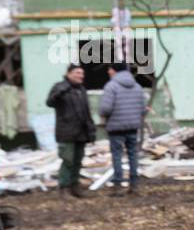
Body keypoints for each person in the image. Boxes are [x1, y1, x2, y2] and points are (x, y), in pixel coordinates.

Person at [46, 64, 95, 198]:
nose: (81, 76)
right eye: (78, 73)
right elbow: (50, 102)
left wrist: (91, 129)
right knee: (67, 160)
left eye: (82, 74)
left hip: (81, 132)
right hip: (66, 132)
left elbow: (86, 111)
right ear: (68, 73)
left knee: (78, 160)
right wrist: (61, 91)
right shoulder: (60, 87)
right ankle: (64, 188)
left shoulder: (81, 90)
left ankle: (75, 186)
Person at [100, 61, 147, 195]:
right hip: (132, 126)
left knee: (117, 155)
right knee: (133, 155)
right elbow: (143, 108)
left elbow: (105, 109)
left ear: (114, 70)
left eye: (109, 69)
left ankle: (118, 185)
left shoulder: (111, 86)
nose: (108, 72)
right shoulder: (137, 86)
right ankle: (134, 185)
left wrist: (103, 115)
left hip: (116, 127)